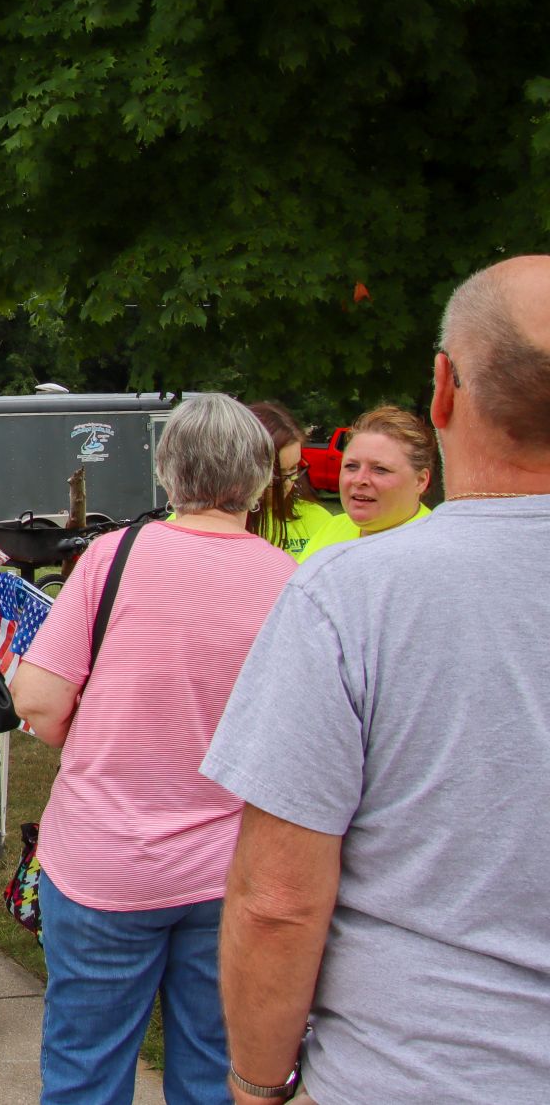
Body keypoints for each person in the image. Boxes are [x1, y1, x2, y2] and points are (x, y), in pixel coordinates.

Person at [203, 257, 550, 1105]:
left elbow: (277, 899)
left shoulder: (347, 596)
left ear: (443, 391)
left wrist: (255, 1082)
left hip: (415, 1071)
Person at [10, 393, 295, 1105]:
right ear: (259, 478)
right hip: (230, 869)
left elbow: (39, 701)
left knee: (87, 1069)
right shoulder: (292, 583)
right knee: (210, 1069)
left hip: (107, 861)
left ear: (168, 472)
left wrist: (106, 727)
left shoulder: (115, 556)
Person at [296, 404, 435, 560]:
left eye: (380, 469)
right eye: (351, 466)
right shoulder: (332, 527)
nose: (359, 480)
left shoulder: (434, 550)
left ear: (420, 481)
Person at [245, 401, 333, 557]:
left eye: (294, 468)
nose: (288, 482)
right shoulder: (224, 522)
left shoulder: (319, 518)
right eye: (276, 474)